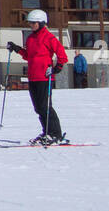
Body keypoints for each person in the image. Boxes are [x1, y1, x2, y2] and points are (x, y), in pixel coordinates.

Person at [5, 9, 68, 145]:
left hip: (45, 78)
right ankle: (47, 132)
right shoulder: (31, 38)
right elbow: (29, 56)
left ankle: (55, 134)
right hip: (33, 77)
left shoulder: (49, 37)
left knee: (45, 106)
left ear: (41, 23)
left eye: (34, 23)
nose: (31, 25)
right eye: (30, 23)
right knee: (38, 108)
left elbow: (62, 55)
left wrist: (57, 68)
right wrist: (16, 48)